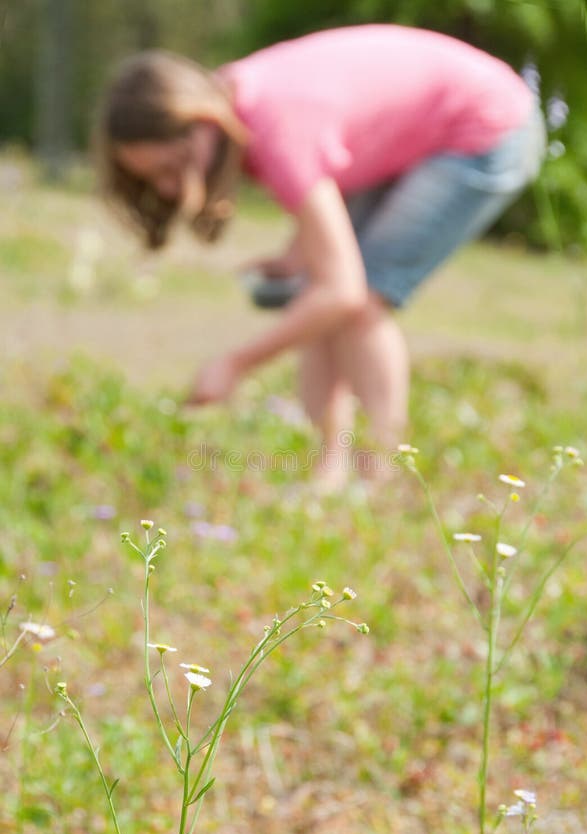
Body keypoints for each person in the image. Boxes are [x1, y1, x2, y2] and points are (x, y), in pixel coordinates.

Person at [97, 24, 545, 491]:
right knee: (319, 292)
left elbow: (344, 292)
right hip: (427, 130)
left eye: (174, 167)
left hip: (485, 127)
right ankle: (329, 473)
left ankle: (380, 478)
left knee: (363, 299)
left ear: (203, 124)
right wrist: (299, 255)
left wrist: (236, 363)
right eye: (154, 179)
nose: (170, 188)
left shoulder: (275, 128)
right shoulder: (233, 101)